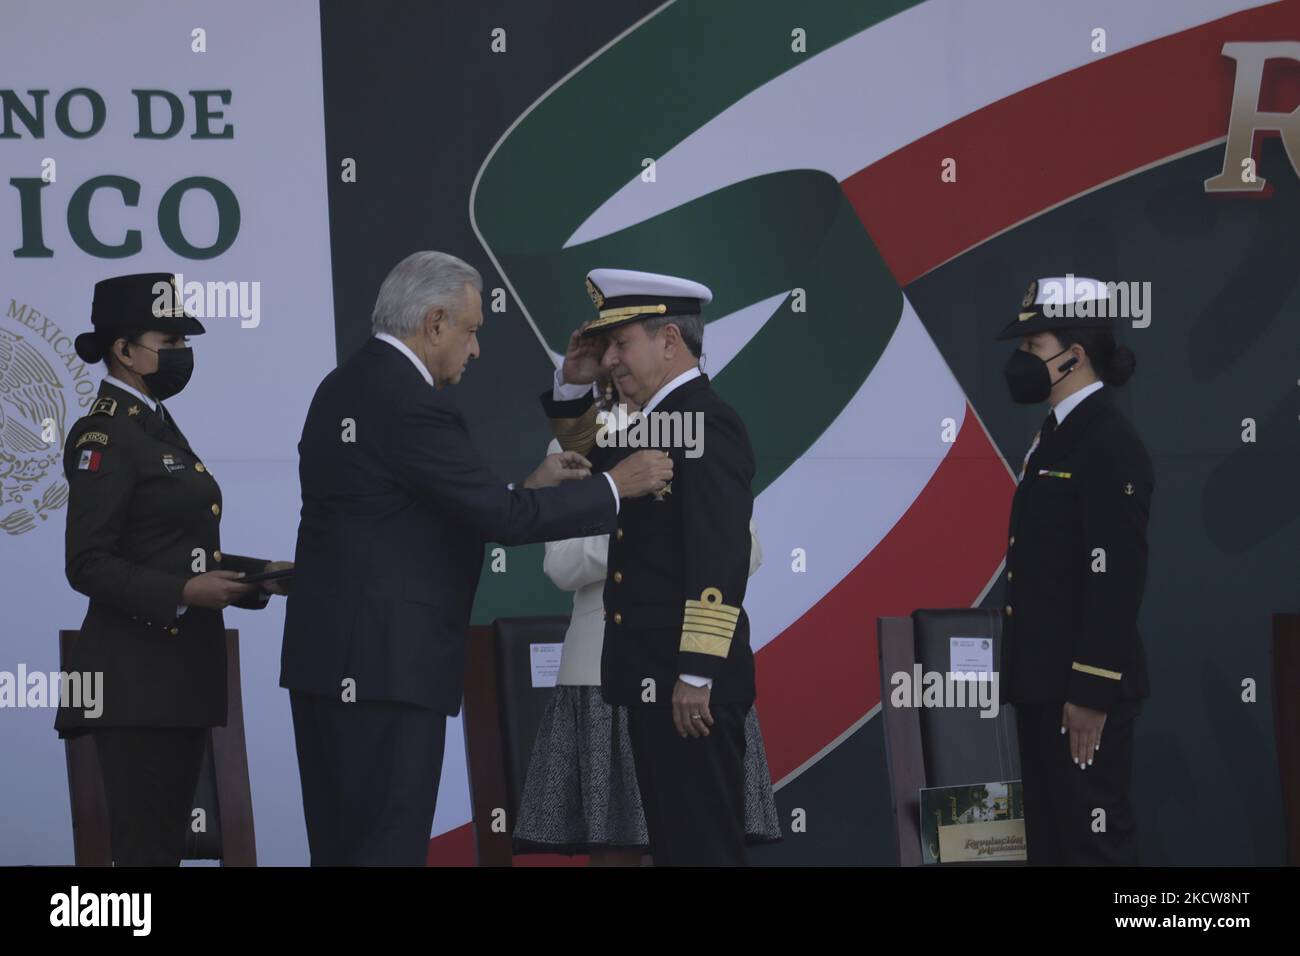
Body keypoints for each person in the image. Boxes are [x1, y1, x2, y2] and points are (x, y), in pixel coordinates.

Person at [279, 252, 673, 866]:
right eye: (472, 330)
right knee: (384, 850)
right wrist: (617, 486)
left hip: (336, 664)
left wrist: (528, 491)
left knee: (344, 848)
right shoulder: (409, 398)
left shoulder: (347, 383)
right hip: (388, 668)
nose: (476, 349)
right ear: (434, 322)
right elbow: (499, 519)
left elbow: (425, 512)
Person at [57, 272, 292, 866]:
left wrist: (257, 573)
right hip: (135, 682)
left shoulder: (150, 422)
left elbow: (165, 544)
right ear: (125, 350)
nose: (183, 354)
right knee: (144, 856)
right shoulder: (105, 432)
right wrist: (184, 590)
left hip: (178, 678)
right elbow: (87, 563)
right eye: (170, 340)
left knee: (164, 849)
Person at [515, 372, 782, 862]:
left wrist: (653, 538)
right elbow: (559, 563)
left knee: (692, 836)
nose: (619, 368)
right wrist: (630, 518)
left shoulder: (695, 432)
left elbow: (745, 550)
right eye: (609, 355)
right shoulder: (579, 444)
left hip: (685, 668)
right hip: (598, 671)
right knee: (613, 848)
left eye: (623, 348)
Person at [542, 268, 759, 866]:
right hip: (653, 676)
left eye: (622, 343)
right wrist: (571, 386)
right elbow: (590, 468)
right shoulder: (657, 419)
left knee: (702, 849)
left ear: (669, 339)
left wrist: (697, 672)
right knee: (675, 847)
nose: (611, 359)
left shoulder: (705, 419)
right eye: (607, 346)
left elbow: (720, 551)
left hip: (686, 684)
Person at [996, 275, 1153, 865]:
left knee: (1093, 849)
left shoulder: (1108, 441)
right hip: (1043, 686)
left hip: (1080, 695)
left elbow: (1117, 578)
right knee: (1053, 847)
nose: (1020, 362)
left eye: (1033, 348)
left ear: (1075, 355)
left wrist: (1090, 688)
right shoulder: (1056, 433)